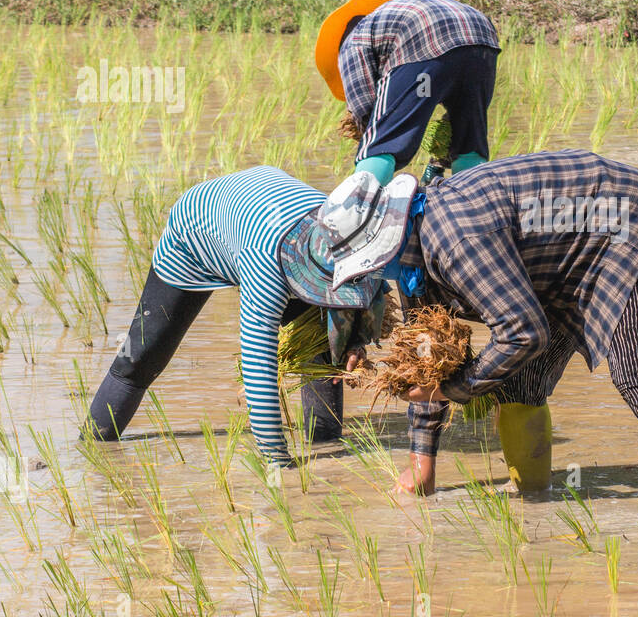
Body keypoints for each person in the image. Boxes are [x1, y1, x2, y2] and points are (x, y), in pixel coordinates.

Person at [297, 150, 638, 504]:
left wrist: (457, 390)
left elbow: (524, 333)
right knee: (519, 382)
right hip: (561, 255)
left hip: (624, 218)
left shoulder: (454, 238)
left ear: (382, 244)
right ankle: (535, 502)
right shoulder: (414, 256)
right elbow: (427, 363)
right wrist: (422, 464)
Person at [83, 165, 400, 465]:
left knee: (321, 342)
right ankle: (91, 450)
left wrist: (354, 340)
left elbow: (370, 291)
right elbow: (258, 369)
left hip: (266, 206)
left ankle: (326, 447)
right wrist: (277, 464)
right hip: (197, 231)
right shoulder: (267, 264)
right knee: (141, 356)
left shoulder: (352, 228)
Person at [314, 0, 500, 185]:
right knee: (469, 139)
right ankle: (476, 205)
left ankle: (358, 209)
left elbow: (364, 106)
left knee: (380, 144)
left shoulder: (352, 42)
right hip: (482, 36)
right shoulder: (388, 18)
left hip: (422, 33)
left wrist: (371, 138)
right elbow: (447, 87)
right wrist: (438, 158)